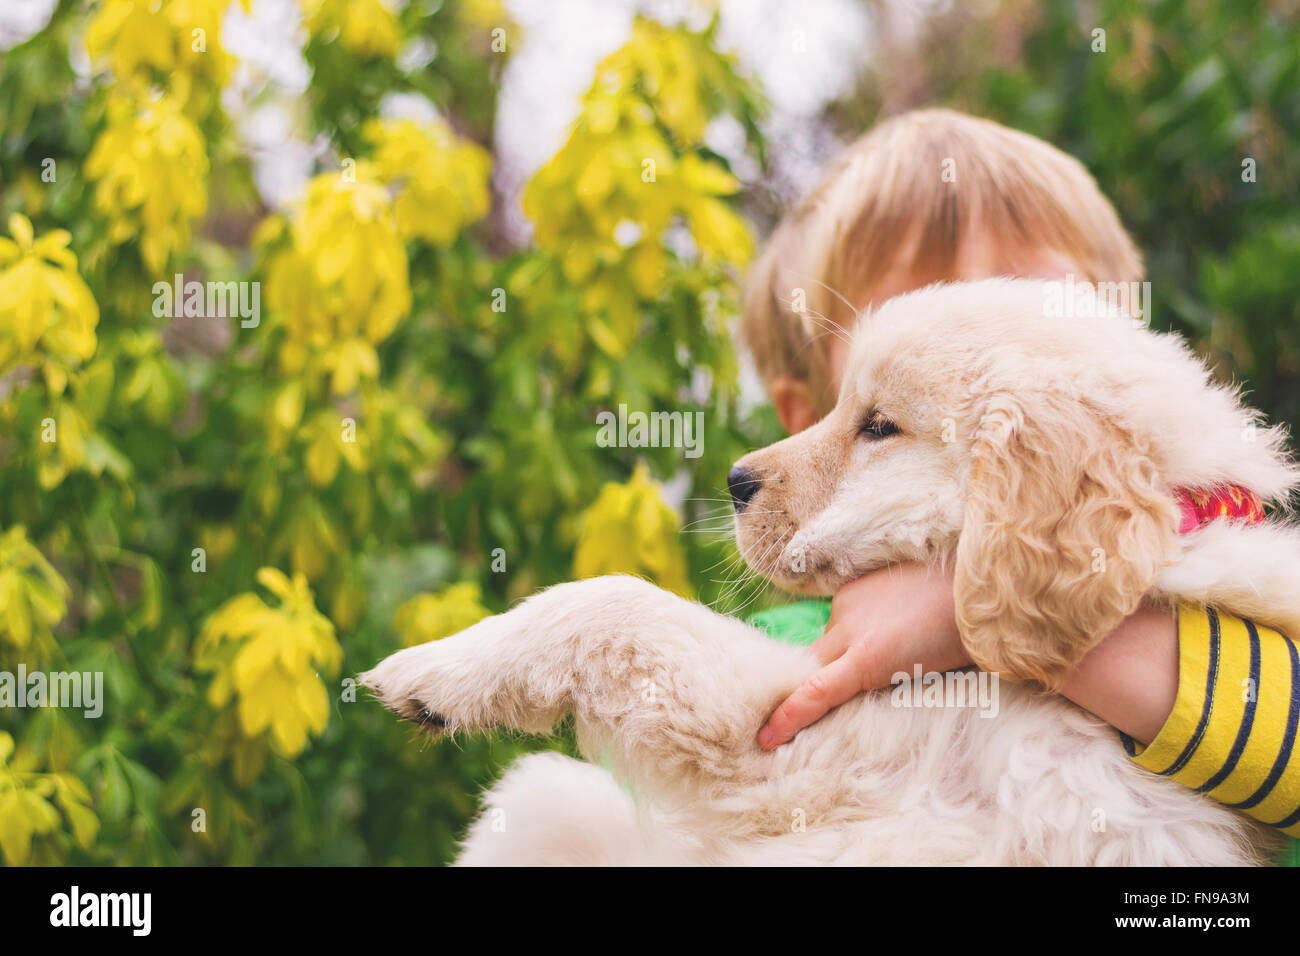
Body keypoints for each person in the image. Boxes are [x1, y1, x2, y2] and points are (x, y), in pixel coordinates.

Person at [739, 108, 1300, 852]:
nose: (978, 328)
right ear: (807, 409)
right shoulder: (785, 647)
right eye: (922, 303)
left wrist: (978, 610)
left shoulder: (1234, 568)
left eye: (1033, 299)